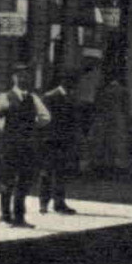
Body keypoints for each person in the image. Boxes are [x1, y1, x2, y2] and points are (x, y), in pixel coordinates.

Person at [0, 63, 51, 226]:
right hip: (10, 144)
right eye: (19, 75)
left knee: (25, 181)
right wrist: (2, 124)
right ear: (14, 78)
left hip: (27, 144)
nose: (23, 78)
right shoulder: (5, 97)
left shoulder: (33, 98)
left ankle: (19, 217)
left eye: (26, 75)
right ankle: (5, 215)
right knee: (7, 180)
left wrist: (33, 125)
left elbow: (46, 116)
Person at [36, 71, 78, 215]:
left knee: (61, 172)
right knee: (46, 172)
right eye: (71, 82)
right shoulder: (50, 97)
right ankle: (43, 203)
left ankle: (59, 203)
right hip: (50, 141)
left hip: (64, 141)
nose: (74, 86)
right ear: (64, 82)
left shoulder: (69, 96)